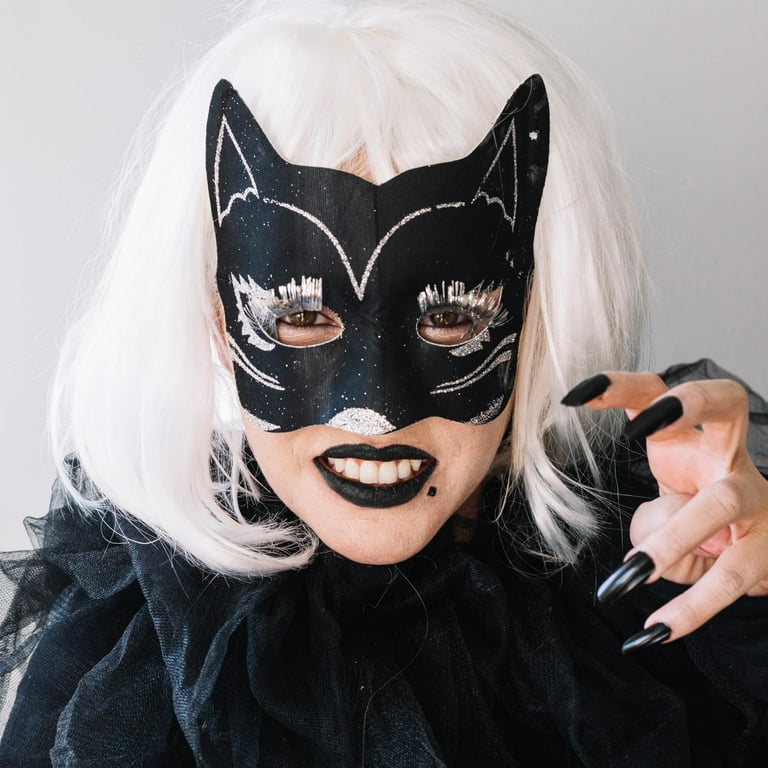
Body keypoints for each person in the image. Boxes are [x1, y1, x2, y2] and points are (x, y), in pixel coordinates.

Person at [1, 0, 767, 765]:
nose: (376, 412)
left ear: (539, 309)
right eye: (300, 315)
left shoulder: (649, 563)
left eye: (452, 317)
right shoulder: (142, 652)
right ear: (214, 317)